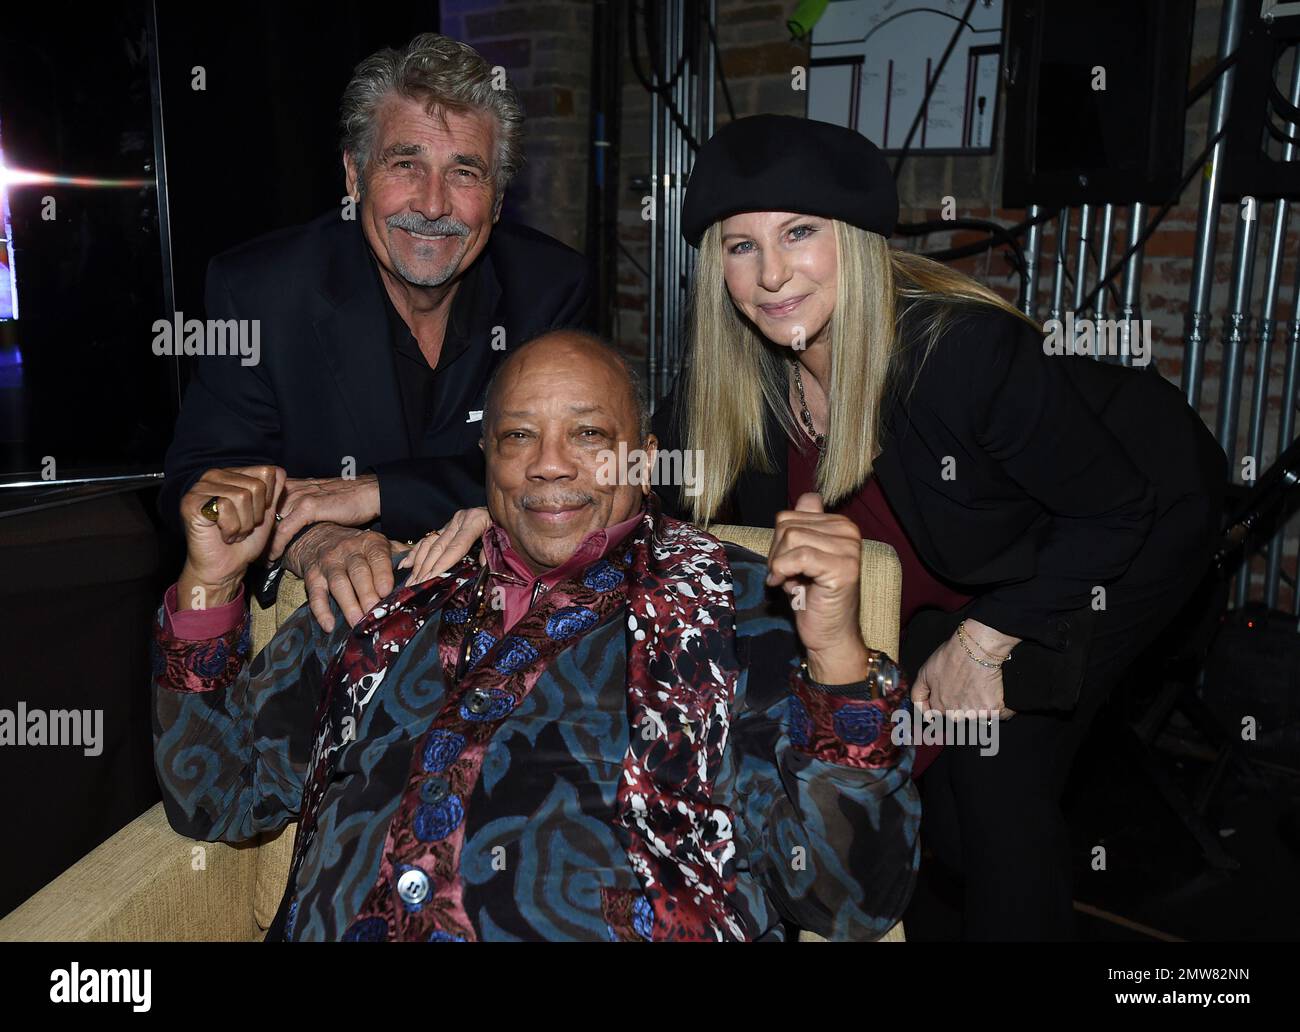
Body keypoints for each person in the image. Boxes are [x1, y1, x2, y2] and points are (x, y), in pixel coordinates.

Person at [640, 114, 1224, 940]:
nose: (772, 273)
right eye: (741, 245)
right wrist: (499, 507)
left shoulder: (959, 355)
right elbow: (634, 477)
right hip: (977, 557)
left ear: (857, 239)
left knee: (994, 778)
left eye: (800, 232)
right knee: (931, 799)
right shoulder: (744, 376)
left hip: (1129, 519)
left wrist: (983, 642)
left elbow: (1114, 510)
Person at [150, 329, 920, 942]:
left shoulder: (744, 610)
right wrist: (212, 585)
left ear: (645, 460)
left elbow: (849, 901)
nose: (549, 466)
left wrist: (840, 661)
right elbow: (216, 796)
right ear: (487, 462)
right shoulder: (385, 590)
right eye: (519, 436)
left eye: (587, 433)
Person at [160, 33, 591, 634]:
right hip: (325, 641)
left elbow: (581, 467)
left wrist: (374, 494)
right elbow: (202, 483)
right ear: (354, 175)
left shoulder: (549, 287)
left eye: (465, 171)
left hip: (510, 629)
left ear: (496, 201)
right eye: (405, 164)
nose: (434, 204)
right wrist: (309, 540)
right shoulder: (260, 291)